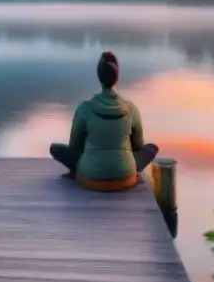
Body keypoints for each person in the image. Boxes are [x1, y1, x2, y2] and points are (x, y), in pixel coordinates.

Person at [50, 51, 159, 191]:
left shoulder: (85, 108)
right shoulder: (131, 108)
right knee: (151, 148)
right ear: (117, 76)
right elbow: (138, 146)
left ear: (99, 76)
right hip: (126, 178)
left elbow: (74, 147)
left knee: (56, 149)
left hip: (90, 177)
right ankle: (126, 169)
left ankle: (78, 173)